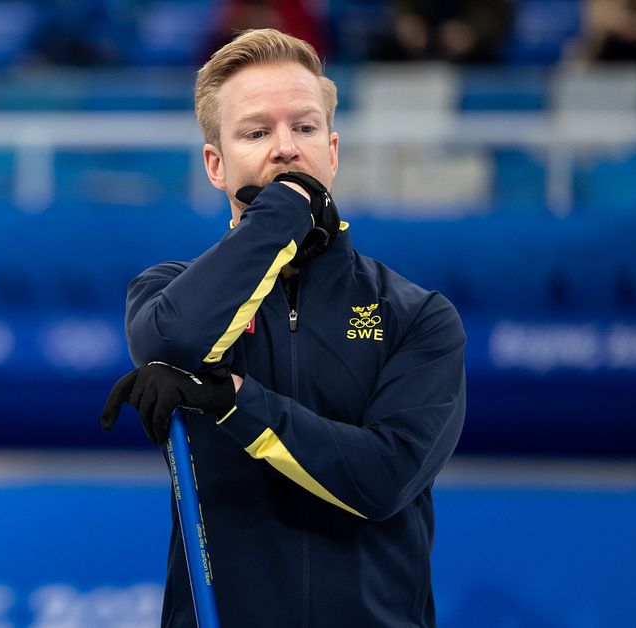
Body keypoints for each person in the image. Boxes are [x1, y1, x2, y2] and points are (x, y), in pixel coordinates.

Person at [100, 28, 465, 627]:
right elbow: (173, 342)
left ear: (333, 151)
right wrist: (284, 214)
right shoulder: (166, 290)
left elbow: (385, 478)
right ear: (215, 165)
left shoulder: (417, 314)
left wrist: (234, 401)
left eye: (305, 127)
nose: (287, 149)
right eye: (256, 133)